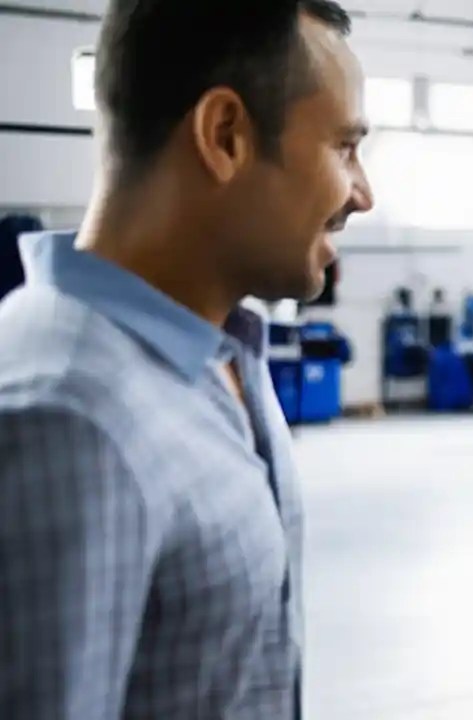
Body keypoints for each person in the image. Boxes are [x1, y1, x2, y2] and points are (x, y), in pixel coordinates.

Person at [0, 1, 373, 717]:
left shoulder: (228, 350)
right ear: (225, 134)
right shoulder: (66, 419)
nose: (362, 192)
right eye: (344, 147)